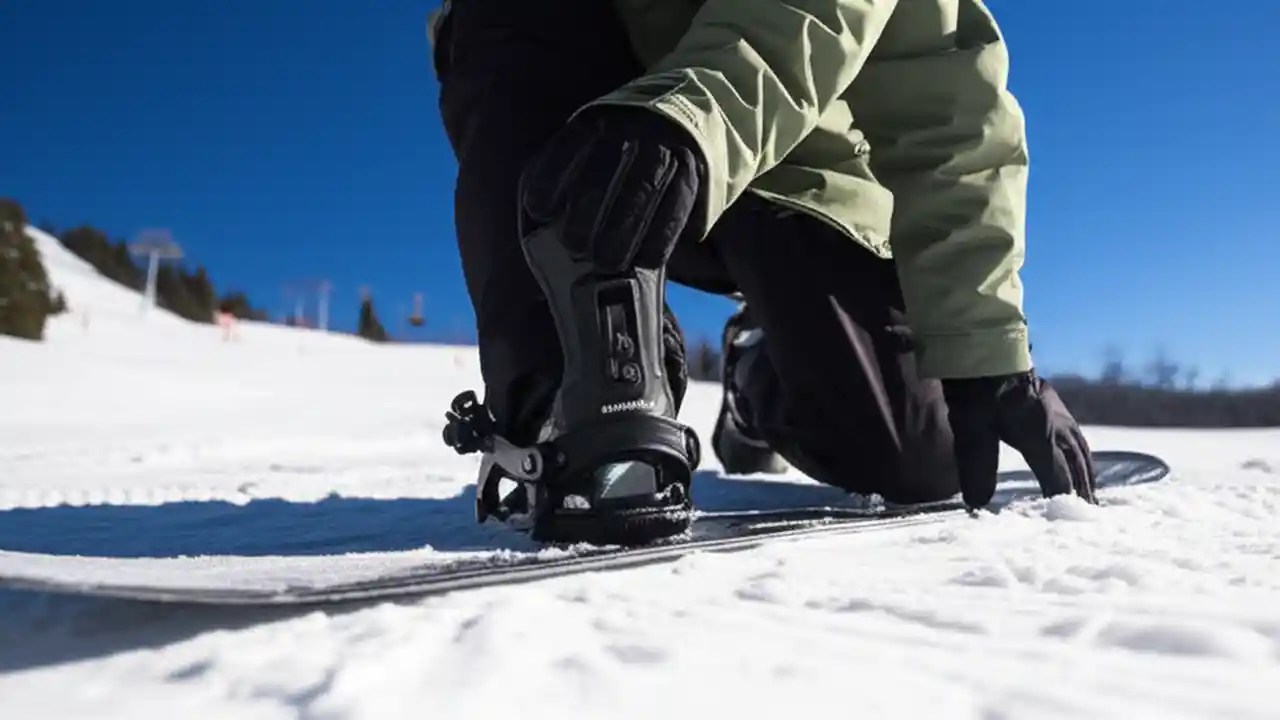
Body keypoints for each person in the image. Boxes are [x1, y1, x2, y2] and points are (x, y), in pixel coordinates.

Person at [432, 0, 1097, 545]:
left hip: (790, 167)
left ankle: (754, 371)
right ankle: (572, 390)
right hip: (593, 149)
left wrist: (985, 345)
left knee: (921, 456)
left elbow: (951, 109)